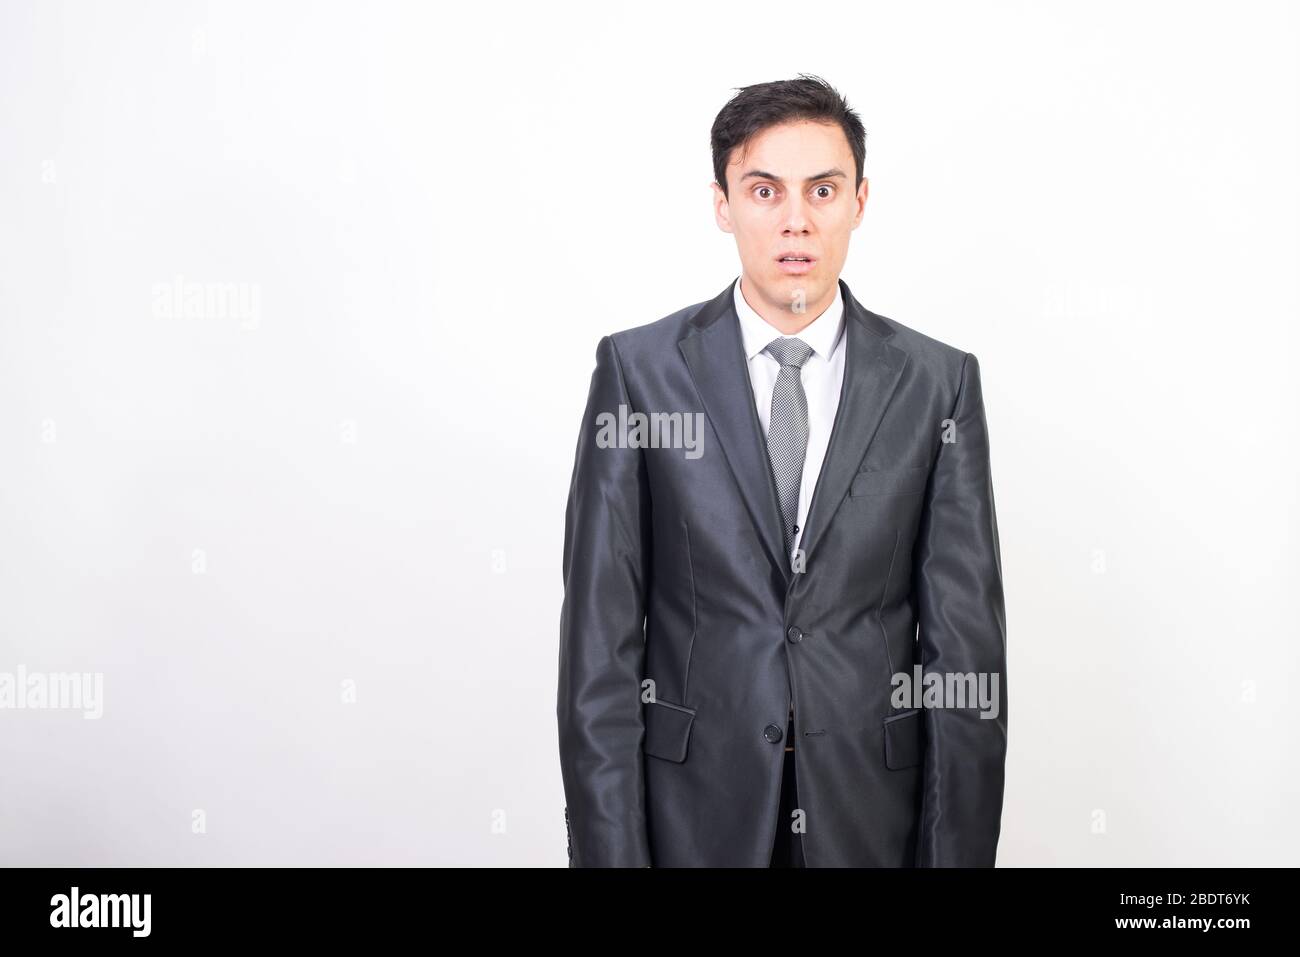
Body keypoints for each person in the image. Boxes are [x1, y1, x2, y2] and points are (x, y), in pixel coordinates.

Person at [557, 74, 1007, 867]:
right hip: (690, 820)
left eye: (823, 190)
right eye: (764, 190)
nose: (796, 220)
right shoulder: (640, 371)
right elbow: (599, 655)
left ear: (859, 201)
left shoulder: (938, 384)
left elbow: (964, 662)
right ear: (723, 203)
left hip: (872, 819)